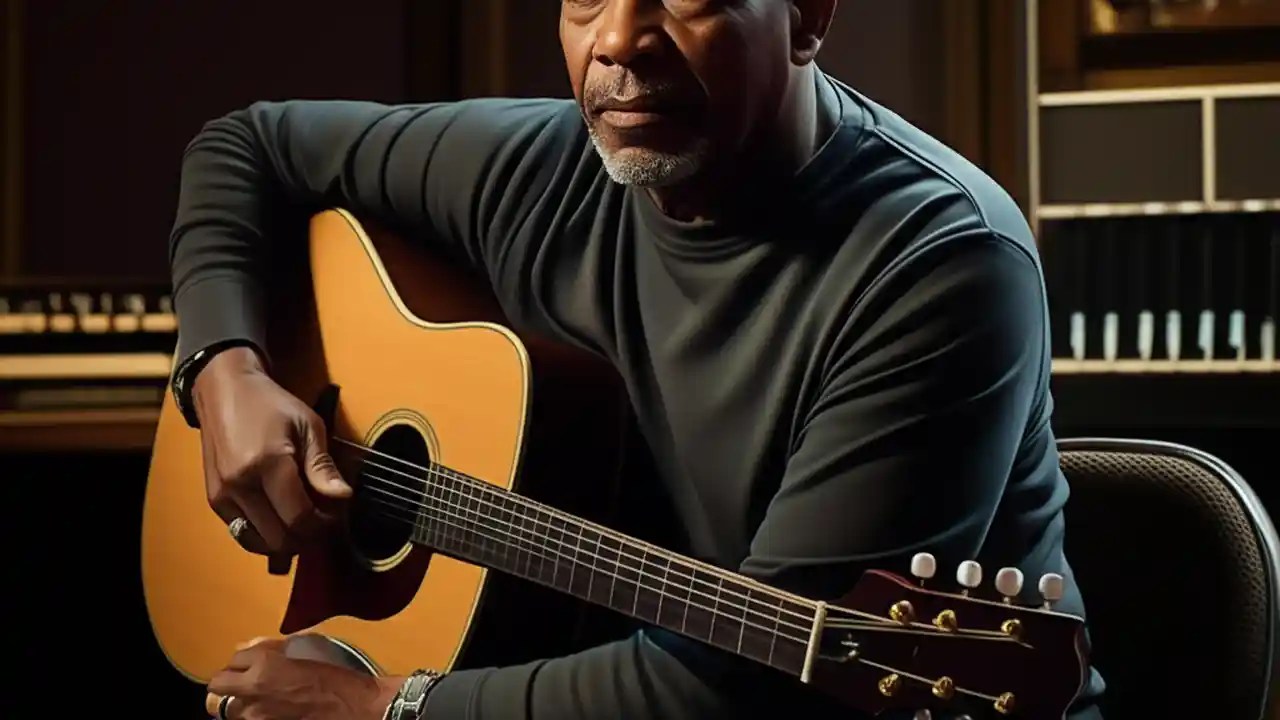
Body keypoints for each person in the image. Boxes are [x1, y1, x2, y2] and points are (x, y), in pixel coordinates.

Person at [168, 1, 1106, 718]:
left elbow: (754, 685)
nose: (619, 41)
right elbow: (242, 147)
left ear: (809, 15)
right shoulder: (530, 168)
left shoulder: (937, 267)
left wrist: (386, 706)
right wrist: (227, 373)